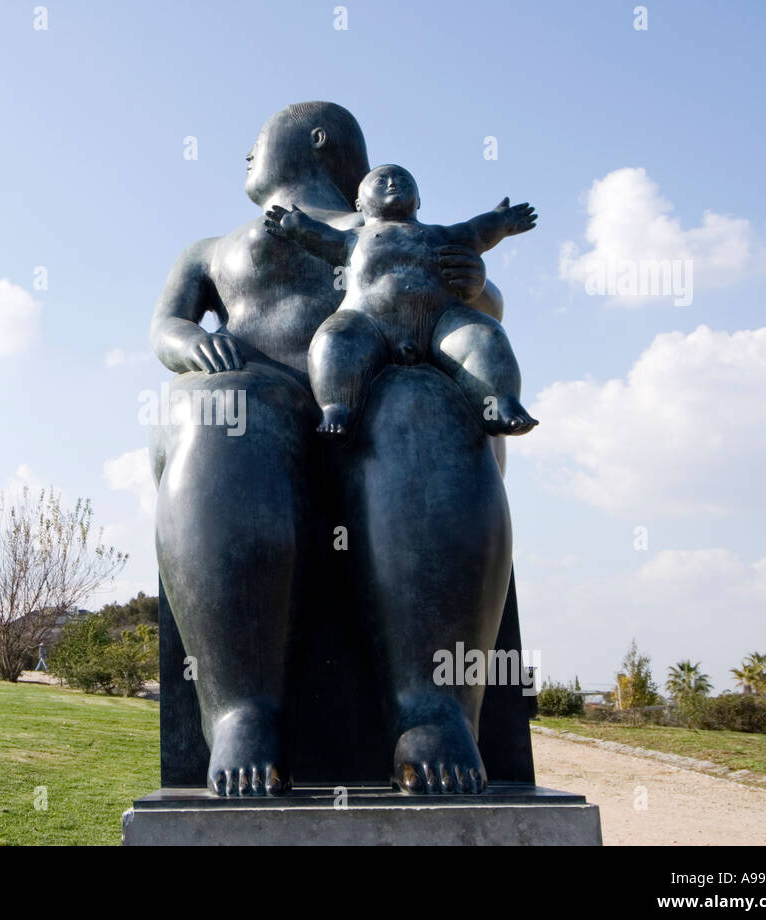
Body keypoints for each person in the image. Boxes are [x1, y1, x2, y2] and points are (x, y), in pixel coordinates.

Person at [151, 102, 512, 796]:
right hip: (259, 395)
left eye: (256, 144)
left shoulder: (389, 228)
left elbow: (476, 298)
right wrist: (193, 343)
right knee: (221, 409)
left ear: (318, 140)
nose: (246, 160)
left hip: (374, 384)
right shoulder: (209, 249)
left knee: (422, 400)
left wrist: (475, 284)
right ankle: (240, 709)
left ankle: (433, 708)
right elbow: (166, 325)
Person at [264, 163, 538, 438]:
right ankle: (337, 407)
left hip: (442, 321)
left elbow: (475, 230)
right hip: (366, 320)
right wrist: (296, 226)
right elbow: (320, 236)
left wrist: (501, 221)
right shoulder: (353, 239)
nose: (394, 183)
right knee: (335, 342)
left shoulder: (439, 235)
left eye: (403, 180)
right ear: (359, 204)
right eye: (382, 180)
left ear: (419, 200)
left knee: (484, 337)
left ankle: (502, 404)